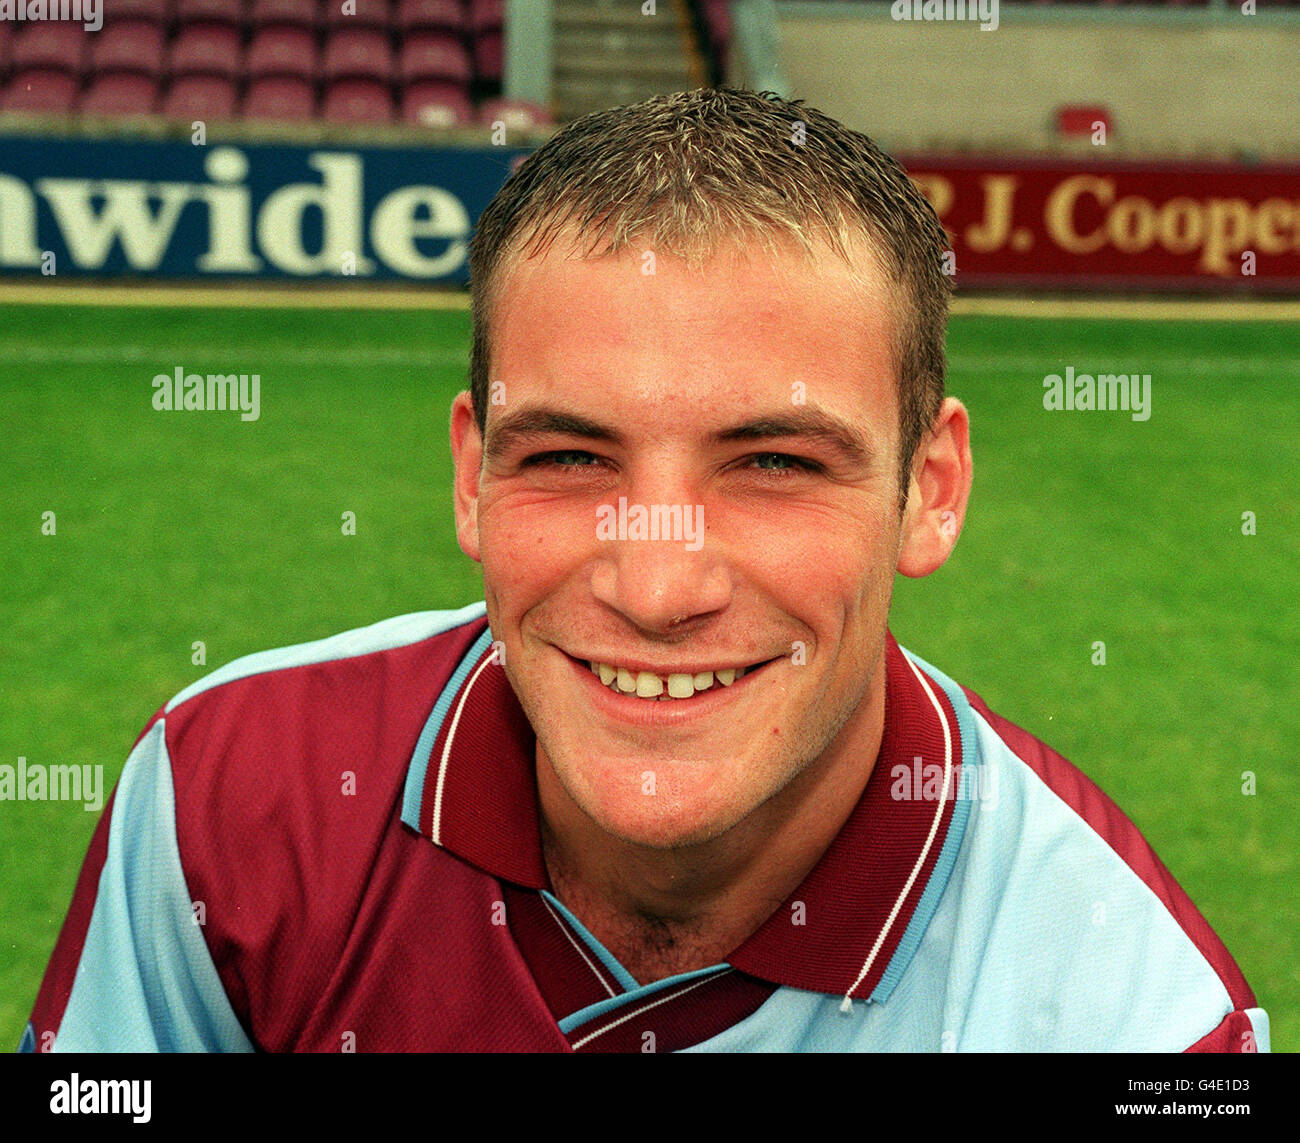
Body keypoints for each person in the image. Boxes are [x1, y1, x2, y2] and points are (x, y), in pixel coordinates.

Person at [22, 88, 1266, 1053]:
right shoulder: (223, 798)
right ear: (470, 478)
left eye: (774, 462)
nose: (658, 589)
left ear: (927, 491)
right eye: (567, 455)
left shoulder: (1125, 1008)